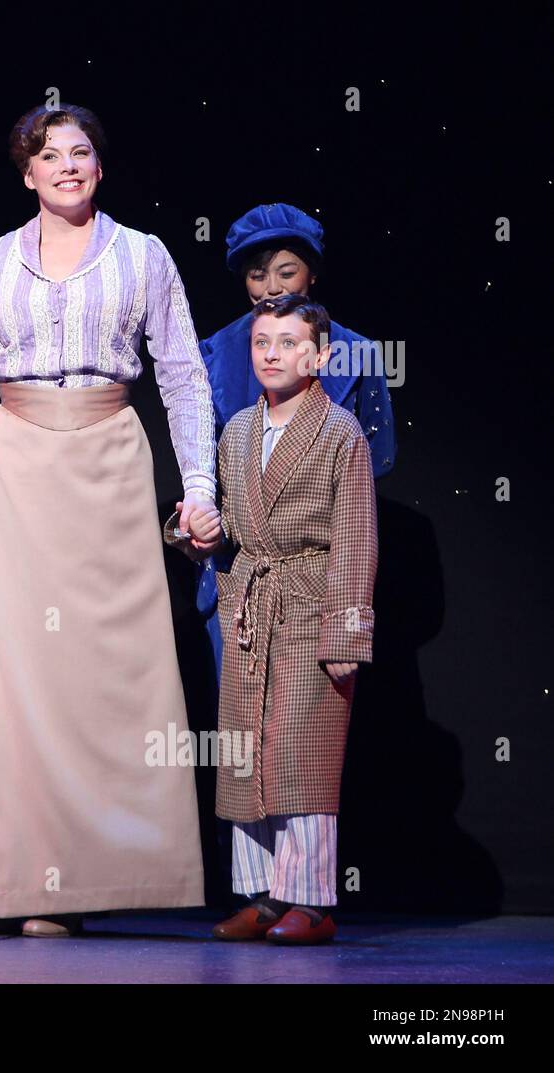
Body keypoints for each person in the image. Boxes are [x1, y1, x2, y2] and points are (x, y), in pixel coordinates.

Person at [0, 104, 213, 937]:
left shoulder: (143, 255)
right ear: (26, 173)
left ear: (99, 168)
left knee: (107, 680)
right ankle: (16, 881)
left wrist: (202, 484)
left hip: (109, 462)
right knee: (12, 680)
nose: (67, 165)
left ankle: (97, 880)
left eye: (81, 153)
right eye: (48, 155)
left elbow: (181, 375)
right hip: (17, 466)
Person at [169, 293, 377, 945]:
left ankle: (310, 900)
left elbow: (356, 535)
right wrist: (194, 528)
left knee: (301, 753)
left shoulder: (339, 431)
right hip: (249, 606)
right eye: (263, 342)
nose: (273, 353)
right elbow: (231, 527)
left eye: (288, 342)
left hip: (311, 603)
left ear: (318, 355)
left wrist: (347, 630)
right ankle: (260, 895)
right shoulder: (236, 430)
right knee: (245, 753)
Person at [196, 203, 394, 673]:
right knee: (236, 733)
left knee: (304, 733)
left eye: (287, 271)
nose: (272, 288)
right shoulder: (214, 354)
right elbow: (202, 461)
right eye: (257, 274)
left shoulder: (356, 354)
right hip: (235, 568)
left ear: (312, 273)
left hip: (316, 579)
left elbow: (377, 458)